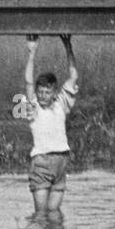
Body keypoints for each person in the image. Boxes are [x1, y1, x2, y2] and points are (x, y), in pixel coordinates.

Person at [18, 34, 79, 217]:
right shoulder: (33, 107)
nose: (43, 95)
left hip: (61, 161)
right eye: (40, 92)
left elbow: (74, 75)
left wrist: (68, 46)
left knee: (54, 213)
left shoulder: (61, 103)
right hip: (41, 162)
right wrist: (32, 52)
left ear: (54, 92)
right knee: (41, 213)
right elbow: (28, 81)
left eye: (47, 92)